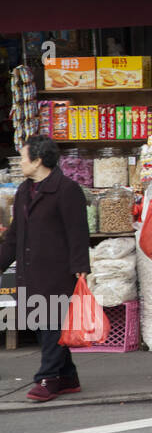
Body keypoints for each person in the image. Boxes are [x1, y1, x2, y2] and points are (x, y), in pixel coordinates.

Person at [0, 135, 91, 402]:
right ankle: (67, 376)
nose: (21, 161)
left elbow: (78, 233)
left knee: (51, 325)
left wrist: (80, 267)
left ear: (38, 160)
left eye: (24, 156)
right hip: (30, 271)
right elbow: (14, 236)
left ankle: (48, 377)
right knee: (41, 325)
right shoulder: (23, 191)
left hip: (57, 272)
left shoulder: (66, 189)